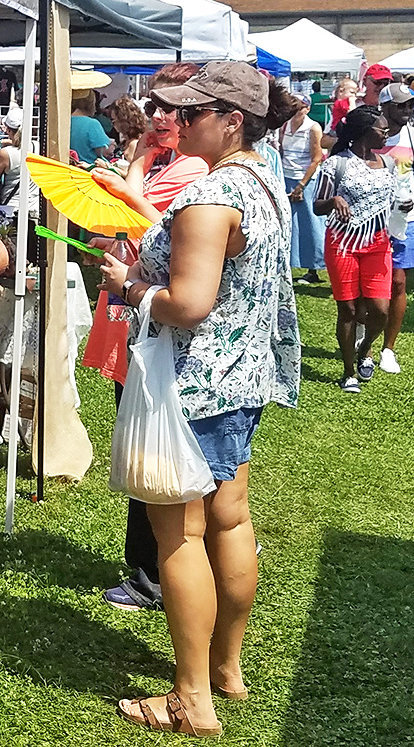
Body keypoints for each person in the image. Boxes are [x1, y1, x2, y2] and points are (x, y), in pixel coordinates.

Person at [98, 60, 300, 737]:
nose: (176, 122)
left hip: (191, 388)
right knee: (231, 520)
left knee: (177, 537)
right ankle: (226, 669)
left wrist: (130, 284)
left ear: (231, 120)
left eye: (191, 113)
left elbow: (188, 303)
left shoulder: (211, 195)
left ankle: (191, 698)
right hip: (243, 382)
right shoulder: (264, 179)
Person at [83, 62, 209, 614]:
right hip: (134, 311)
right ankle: (149, 566)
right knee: (138, 434)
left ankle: (155, 572)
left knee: (157, 448)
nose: (159, 117)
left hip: (160, 316)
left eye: (172, 108)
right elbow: (116, 227)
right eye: (154, 106)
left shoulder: (197, 168)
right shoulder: (168, 162)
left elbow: (153, 226)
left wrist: (126, 180)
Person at [314, 106, 409, 393]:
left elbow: (393, 199)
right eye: (381, 130)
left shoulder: (388, 164)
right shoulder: (336, 164)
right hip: (342, 242)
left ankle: (366, 348)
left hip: (378, 243)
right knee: (349, 309)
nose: (387, 133)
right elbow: (318, 205)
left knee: (379, 309)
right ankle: (348, 372)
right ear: (364, 132)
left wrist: (403, 207)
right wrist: (334, 202)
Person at [375, 83, 414, 375]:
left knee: (398, 283)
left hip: (406, 221)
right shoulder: (371, 134)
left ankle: (388, 348)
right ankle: (364, 333)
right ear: (384, 107)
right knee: (370, 285)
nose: (407, 111)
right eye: (400, 106)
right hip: (372, 219)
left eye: (410, 105)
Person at [280, 95, 325, 283]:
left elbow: (316, 158)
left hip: (306, 180)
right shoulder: (285, 125)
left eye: (298, 107)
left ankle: (314, 268)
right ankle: (289, 265)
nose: (294, 111)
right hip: (286, 177)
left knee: (310, 224)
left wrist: (301, 185)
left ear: (306, 108)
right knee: (289, 224)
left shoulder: (313, 128)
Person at [70, 69, 115, 164]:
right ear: (91, 102)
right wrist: (111, 145)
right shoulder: (92, 124)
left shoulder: (64, 122)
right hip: (87, 171)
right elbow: (103, 151)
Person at [0, 107, 39, 214]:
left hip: (10, 210)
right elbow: (22, 147)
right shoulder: (38, 147)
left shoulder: (5, 154)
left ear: (8, 130)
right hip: (33, 208)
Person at [110, 95, 147, 166]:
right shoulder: (127, 141)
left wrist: (108, 167)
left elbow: (135, 173)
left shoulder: (134, 144)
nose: (113, 124)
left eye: (114, 121)